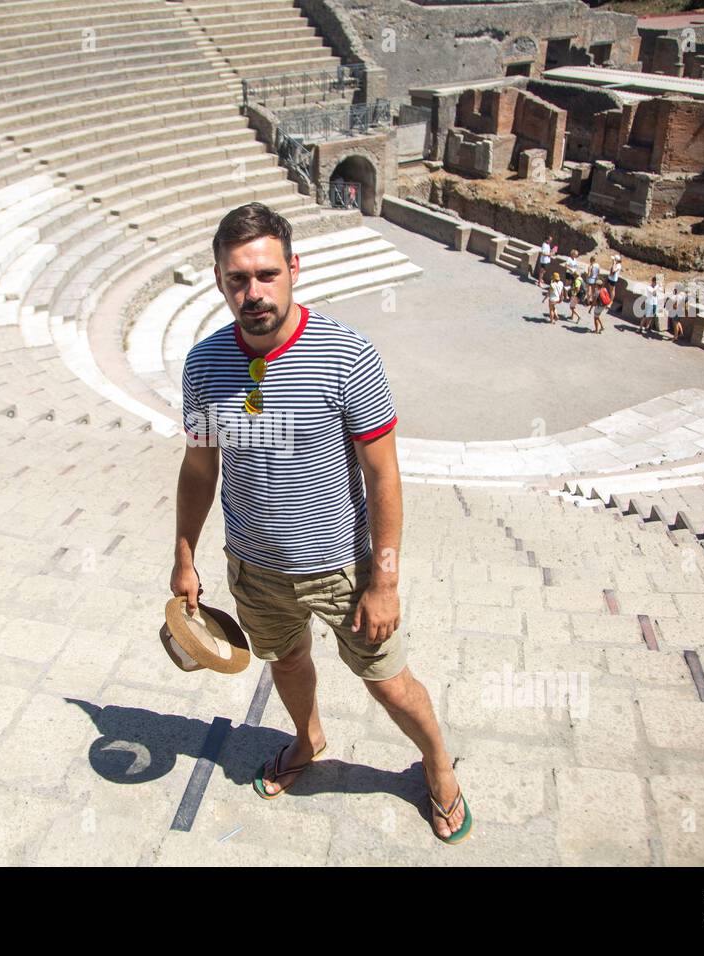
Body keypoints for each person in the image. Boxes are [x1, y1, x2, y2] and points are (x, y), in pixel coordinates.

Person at [173, 202, 472, 844]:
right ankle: (307, 741)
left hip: (343, 570)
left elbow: (383, 477)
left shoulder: (345, 356)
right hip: (253, 569)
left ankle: (437, 766)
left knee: (390, 685)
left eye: (266, 275)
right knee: (287, 664)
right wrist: (184, 554)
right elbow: (200, 468)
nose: (252, 292)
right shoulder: (203, 366)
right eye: (237, 279)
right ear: (220, 281)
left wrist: (384, 582)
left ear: (293, 270)